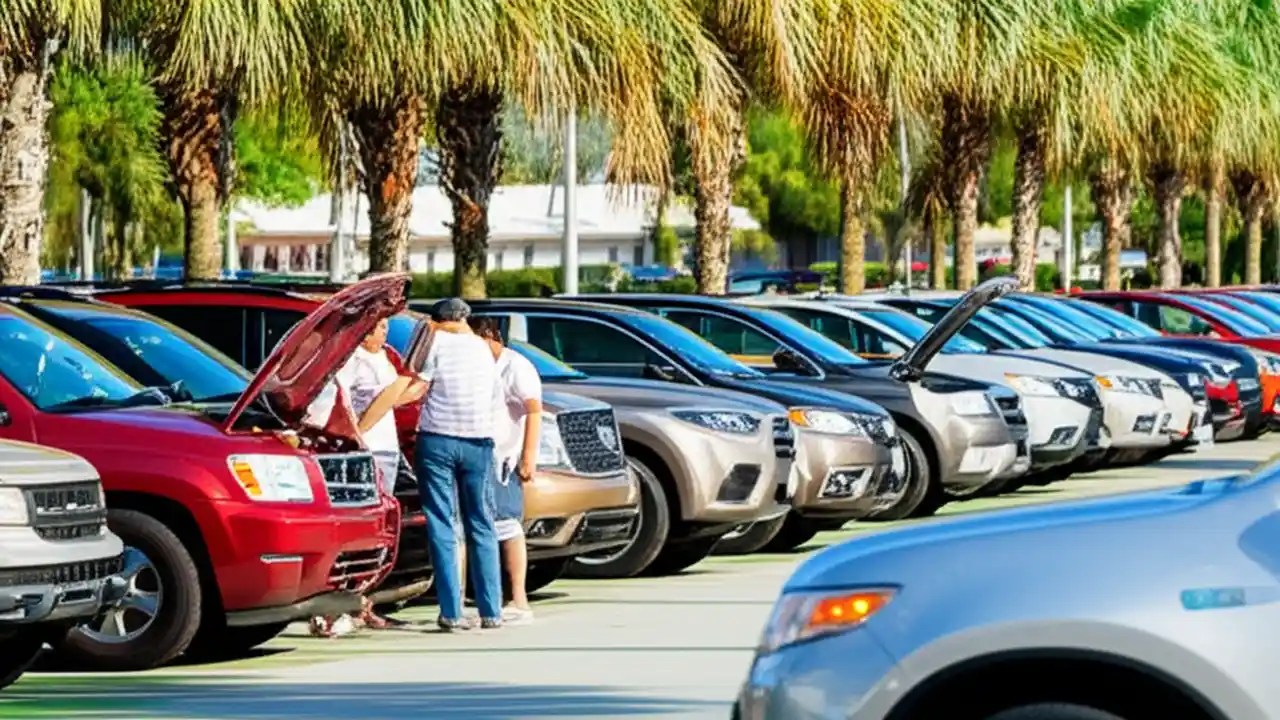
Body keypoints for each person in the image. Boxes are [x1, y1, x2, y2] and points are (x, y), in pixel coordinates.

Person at [415, 298, 503, 631]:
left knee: (442, 522)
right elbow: (493, 395)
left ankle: (451, 612)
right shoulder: (484, 349)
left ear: (439, 320)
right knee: (482, 523)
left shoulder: (434, 341)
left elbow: (420, 385)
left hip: (437, 438)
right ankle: (491, 611)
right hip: (478, 440)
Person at [468, 317, 542, 624]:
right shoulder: (477, 366)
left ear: (488, 336)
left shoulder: (516, 366)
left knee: (507, 525)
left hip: (503, 458)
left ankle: (519, 598)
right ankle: (489, 597)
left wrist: (528, 457)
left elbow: (534, 409)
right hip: (477, 452)